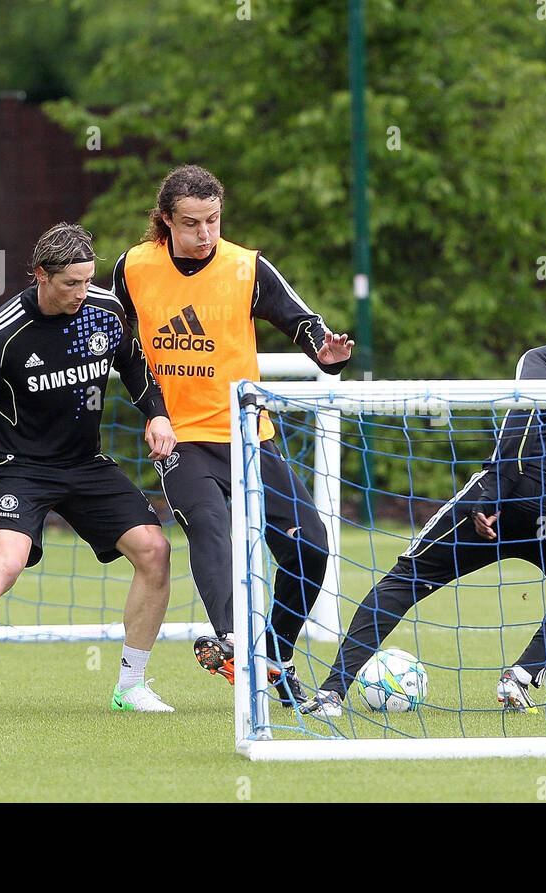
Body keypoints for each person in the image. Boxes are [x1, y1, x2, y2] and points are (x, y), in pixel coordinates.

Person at [300, 284, 546, 717]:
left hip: (506, 501)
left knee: (402, 581)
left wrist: (490, 495)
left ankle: (332, 693)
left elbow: (522, 420)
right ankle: (520, 677)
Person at [0, 223, 178, 718]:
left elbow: (135, 366)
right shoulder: (2, 334)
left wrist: (156, 413)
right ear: (40, 276)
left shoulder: (105, 310)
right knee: (4, 565)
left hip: (84, 463)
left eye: (87, 280)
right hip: (18, 467)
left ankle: (130, 686)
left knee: (155, 550)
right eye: (70, 283)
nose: (80, 293)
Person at [113, 165, 352, 705]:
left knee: (311, 550)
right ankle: (233, 641)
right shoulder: (134, 266)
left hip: (249, 435)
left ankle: (274, 654)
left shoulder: (247, 267)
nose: (205, 234)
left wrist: (324, 350)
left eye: (214, 220)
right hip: (183, 439)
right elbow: (116, 339)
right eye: (192, 223)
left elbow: (300, 319)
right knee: (210, 523)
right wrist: (153, 411)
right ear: (167, 221)